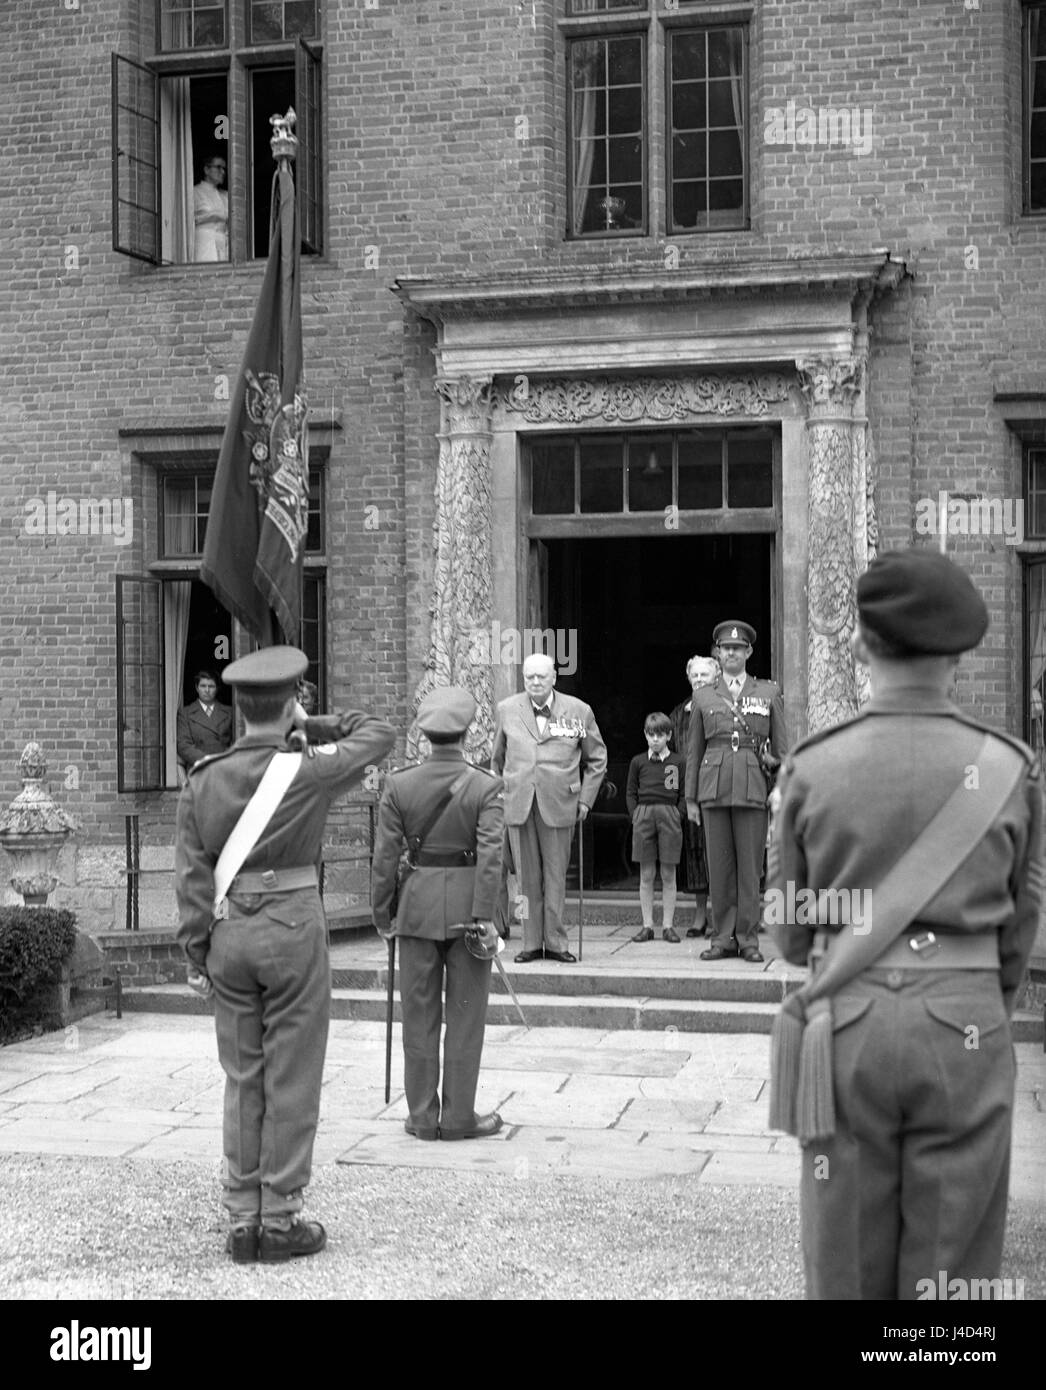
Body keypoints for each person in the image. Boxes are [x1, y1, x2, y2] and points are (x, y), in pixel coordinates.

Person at [767, 549, 1043, 1300]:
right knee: (952, 1261)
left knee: (844, 1252)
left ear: (859, 642)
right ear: (959, 651)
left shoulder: (812, 767)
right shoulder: (1009, 769)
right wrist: (971, 994)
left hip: (846, 1025)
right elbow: (1020, 934)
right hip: (966, 1021)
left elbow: (791, 933)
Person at [174, 646, 395, 1263]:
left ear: (239, 708)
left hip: (230, 934)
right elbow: (379, 733)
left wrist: (196, 951)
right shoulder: (309, 769)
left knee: (243, 1077)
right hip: (295, 928)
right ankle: (282, 1217)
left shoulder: (204, 778)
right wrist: (315, 726)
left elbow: (191, 878)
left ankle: (243, 1219)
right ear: (292, 701)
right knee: (292, 1075)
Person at [371, 686, 506, 1141]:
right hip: (470, 909)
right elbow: (491, 856)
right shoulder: (485, 785)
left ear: (425, 734)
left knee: (419, 1016)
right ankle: (459, 1117)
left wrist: (380, 913)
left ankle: (423, 1117)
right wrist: (485, 915)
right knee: (465, 1018)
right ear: (468, 731)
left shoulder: (399, 784)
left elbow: (384, 858)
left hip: (416, 909)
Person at [491, 652, 607, 964]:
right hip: (519, 804)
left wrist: (585, 798)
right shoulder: (506, 709)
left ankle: (555, 941)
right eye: (529, 677)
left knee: (556, 876)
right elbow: (497, 759)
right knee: (526, 880)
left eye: (542, 676)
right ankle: (530, 942)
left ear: (554, 677)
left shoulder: (578, 710)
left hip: (560, 803)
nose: (536, 682)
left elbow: (597, 758)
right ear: (523, 679)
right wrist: (505, 791)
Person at [685, 621, 788, 963]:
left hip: (752, 786)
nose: (731, 652)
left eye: (738, 648)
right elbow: (693, 752)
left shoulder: (768, 693)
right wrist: (691, 798)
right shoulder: (702, 696)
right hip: (713, 787)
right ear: (718, 652)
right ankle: (722, 937)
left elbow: (784, 751)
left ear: (748, 652)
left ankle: (747, 939)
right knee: (719, 866)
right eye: (725, 648)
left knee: (750, 868)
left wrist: (782, 787)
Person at [669, 655, 720, 938]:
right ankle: (700, 916)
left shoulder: (725, 707)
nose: (700, 680)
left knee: (721, 855)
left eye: (705, 675)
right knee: (695, 856)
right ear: (689, 679)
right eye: (695, 675)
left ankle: (724, 917)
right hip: (690, 795)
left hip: (719, 791)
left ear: (716, 677)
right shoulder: (679, 714)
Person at [626, 712, 687, 943]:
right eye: (651, 735)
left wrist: (677, 814)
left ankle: (668, 925)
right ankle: (647, 924)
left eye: (660, 735)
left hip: (669, 815)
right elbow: (631, 792)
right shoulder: (638, 762)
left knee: (668, 873)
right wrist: (636, 815)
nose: (655, 740)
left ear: (669, 735)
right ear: (645, 735)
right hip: (644, 814)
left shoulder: (678, 761)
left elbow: (683, 792)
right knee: (647, 873)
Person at [176, 670, 233, 772]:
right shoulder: (186, 713)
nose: (207, 690)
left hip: (224, 767)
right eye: (203, 686)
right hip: (199, 768)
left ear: (217, 688)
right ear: (197, 688)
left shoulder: (229, 712)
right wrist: (206, 760)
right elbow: (183, 745)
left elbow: (237, 741)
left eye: (211, 686)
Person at [193, 153, 229, 262]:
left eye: (224, 169)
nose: (223, 172)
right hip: (204, 244)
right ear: (206, 170)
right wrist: (214, 215)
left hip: (224, 245)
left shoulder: (226, 196)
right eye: (218, 167)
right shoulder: (195, 192)